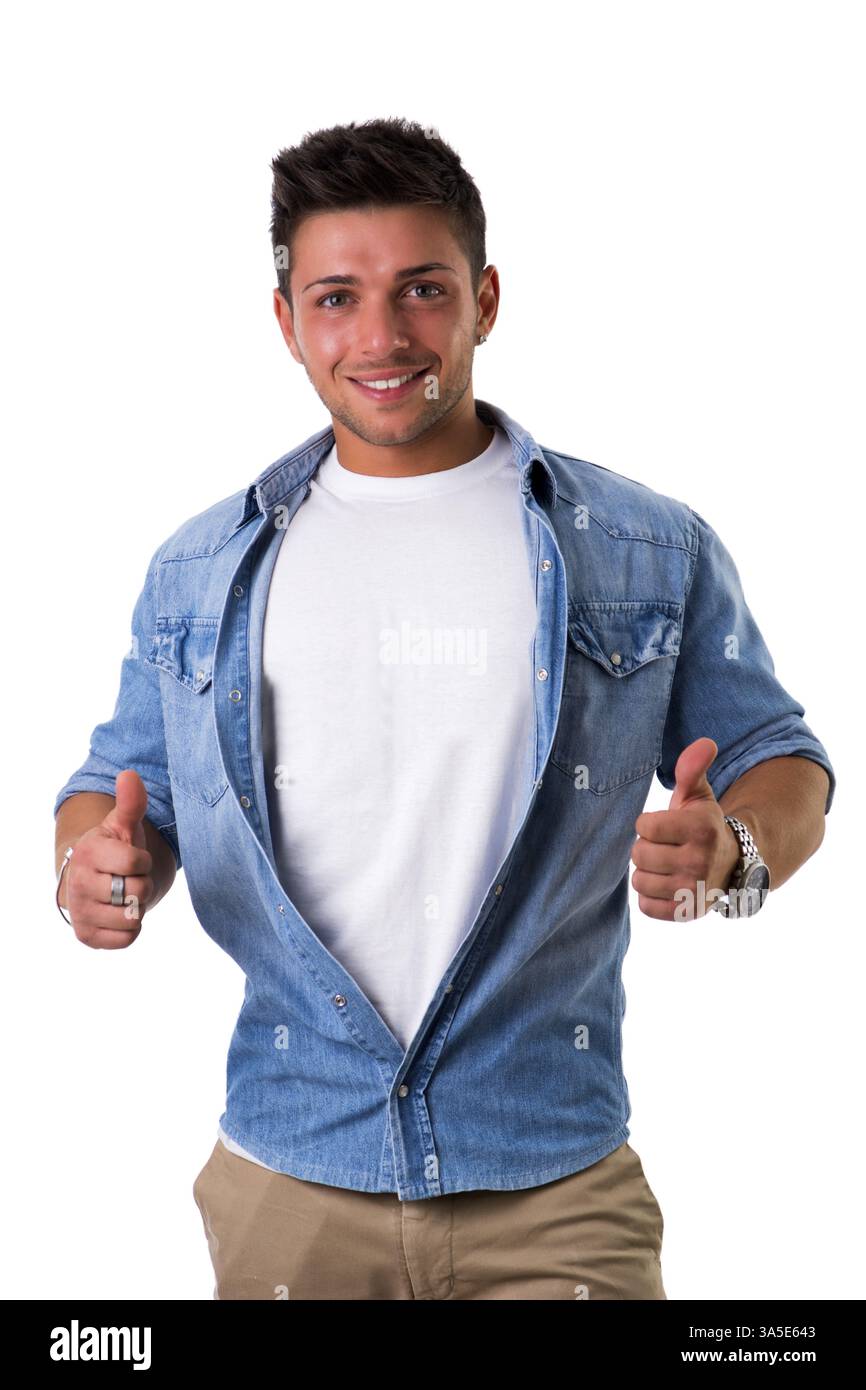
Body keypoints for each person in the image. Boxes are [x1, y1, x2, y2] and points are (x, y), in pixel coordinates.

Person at [53, 117, 835, 1301]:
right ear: (284, 323)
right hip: (289, 1180)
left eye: (420, 291)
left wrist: (734, 850)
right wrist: (99, 861)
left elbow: (780, 757)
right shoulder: (198, 568)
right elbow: (123, 788)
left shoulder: (641, 546)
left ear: (484, 299)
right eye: (335, 297)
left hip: (554, 1187)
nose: (379, 336)